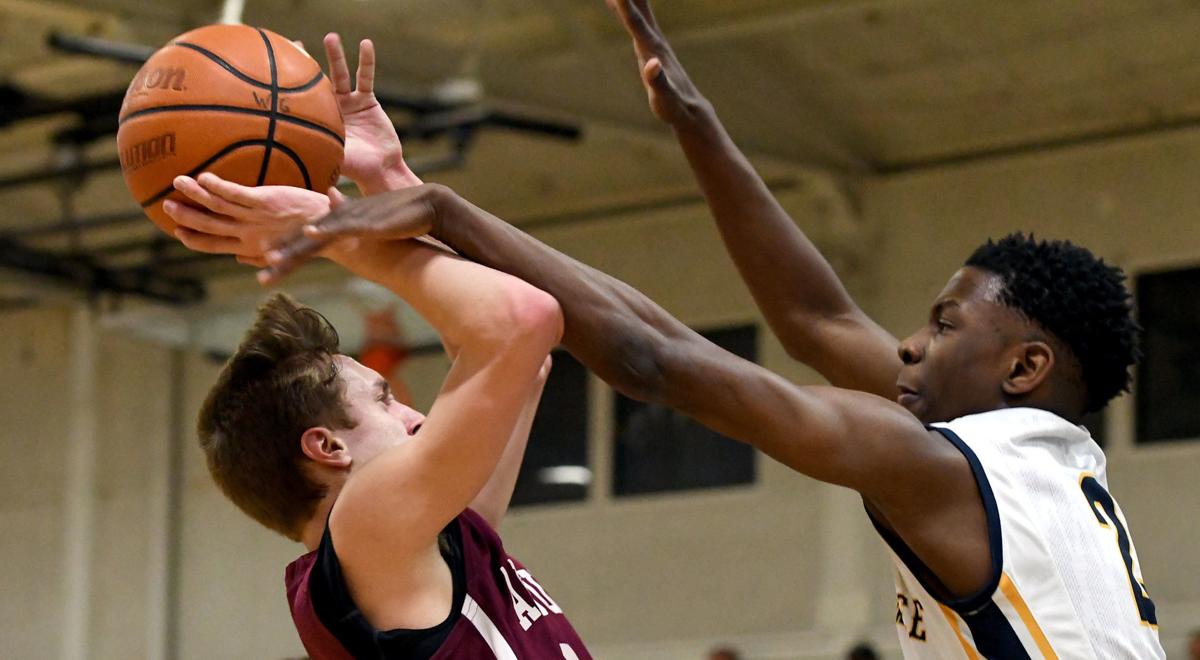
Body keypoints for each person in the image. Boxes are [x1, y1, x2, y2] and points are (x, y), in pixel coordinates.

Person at [167, 4, 1166, 657]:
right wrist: (695, 120)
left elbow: (646, 356)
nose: (907, 346)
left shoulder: (944, 465)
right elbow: (814, 317)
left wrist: (427, 208)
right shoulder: (1029, 462)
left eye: (943, 327)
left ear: (1024, 366)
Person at [188, 35, 590, 660]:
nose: (416, 413)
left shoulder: (419, 540)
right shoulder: (367, 529)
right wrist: (335, 232)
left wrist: (387, 179)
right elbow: (521, 319)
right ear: (327, 447)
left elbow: (524, 362)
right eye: (384, 400)